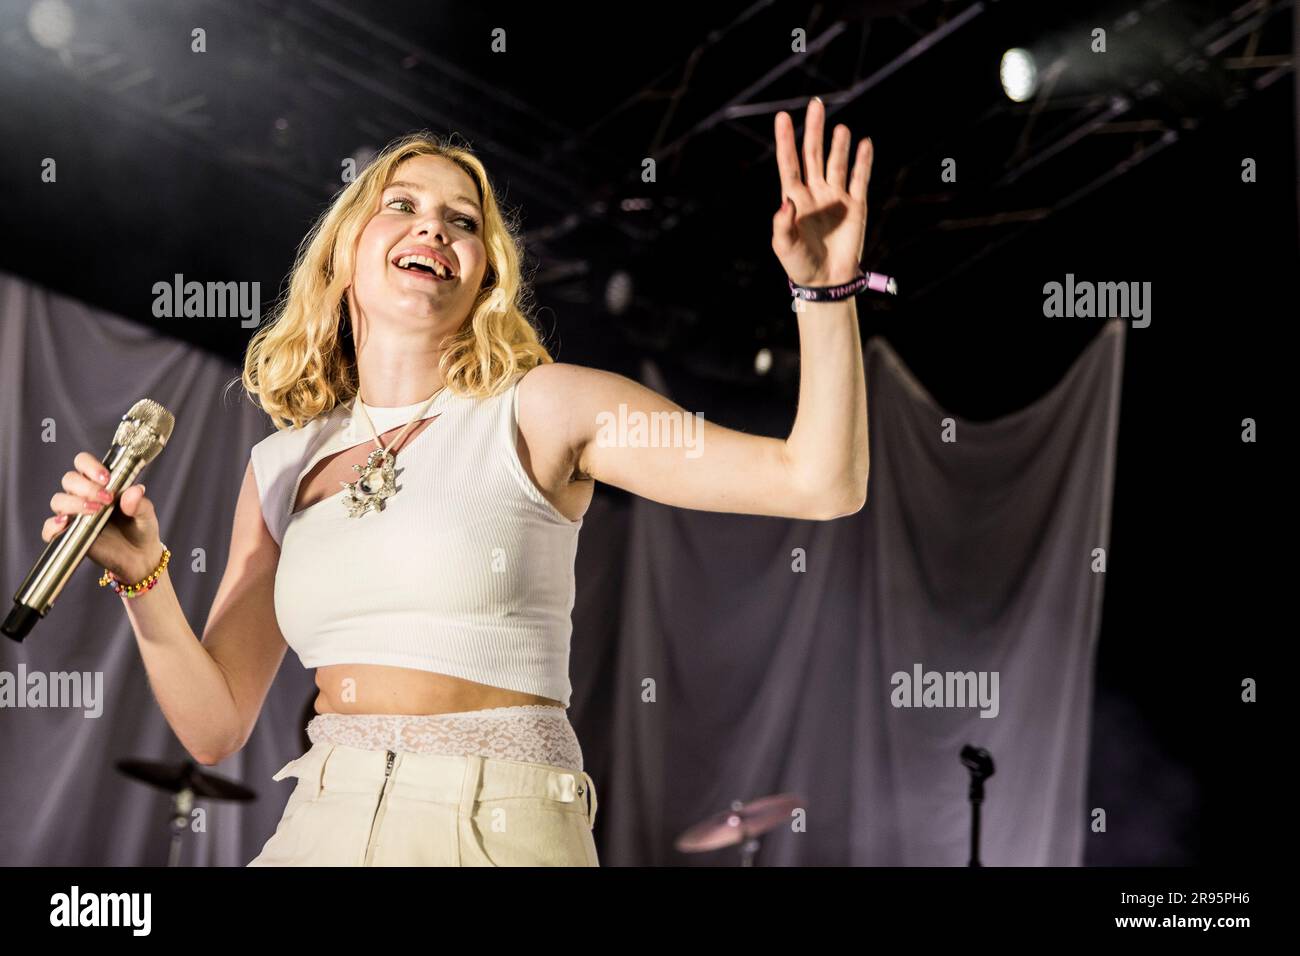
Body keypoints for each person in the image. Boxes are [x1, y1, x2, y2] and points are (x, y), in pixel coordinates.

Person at [40, 97, 872, 865]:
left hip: (493, 823)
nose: (431, 228)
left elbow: (818, 481)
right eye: (401, 205)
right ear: (343, 258)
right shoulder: (279, 467)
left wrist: (825, 289)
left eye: (460, 221)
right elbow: (216, 726)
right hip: (320, 817)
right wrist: (140, 577)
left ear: (483, 276)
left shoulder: (545, 409)